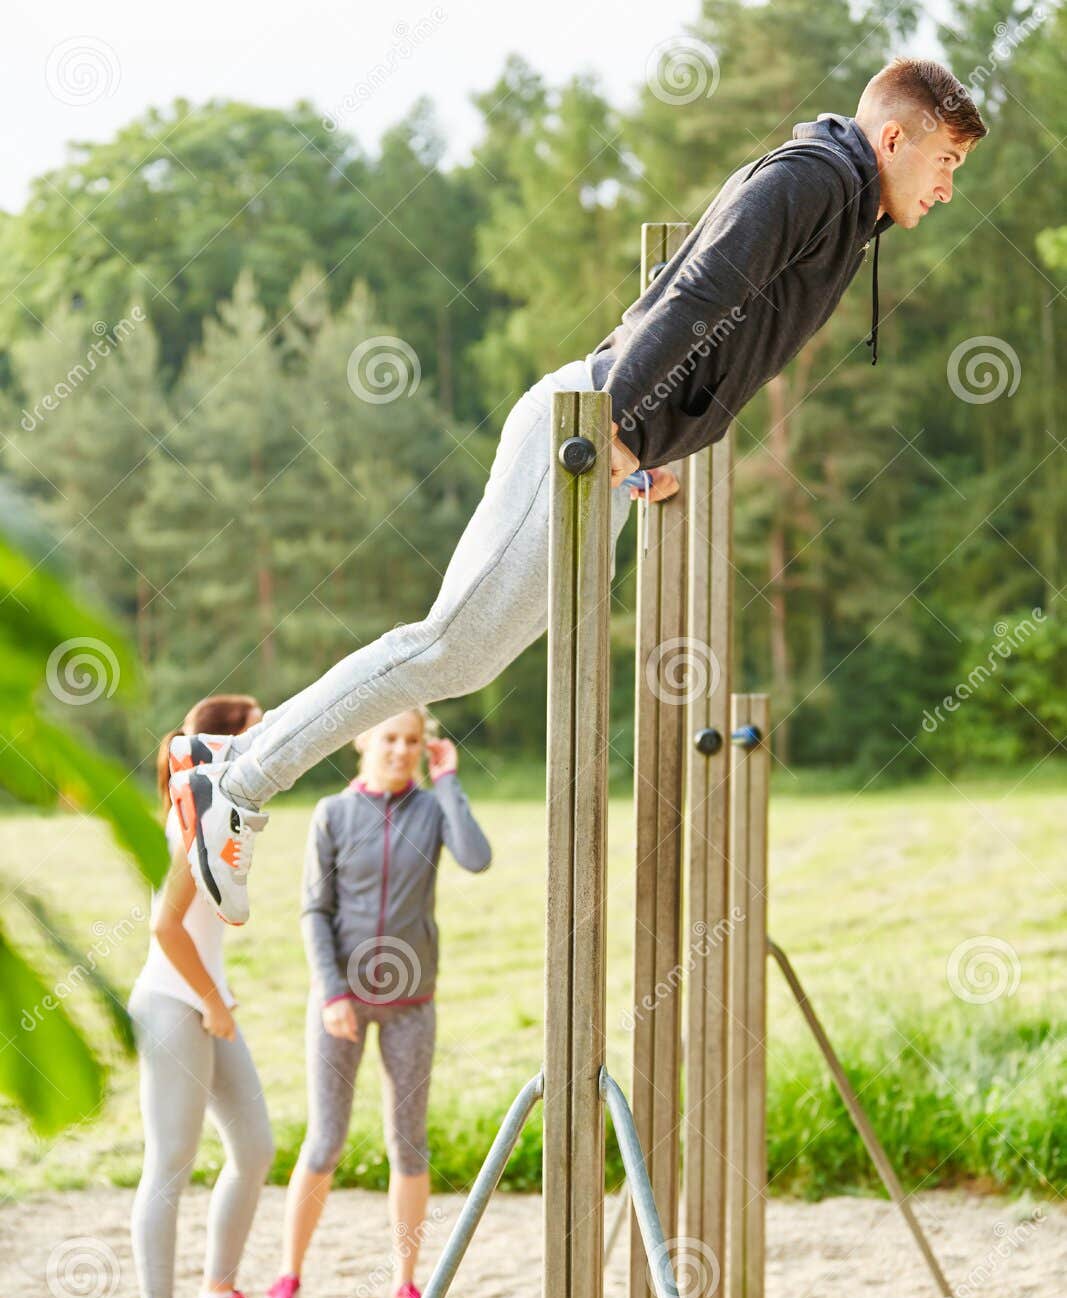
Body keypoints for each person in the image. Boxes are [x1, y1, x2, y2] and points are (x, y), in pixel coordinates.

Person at [168, 58, 987, 924]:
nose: (945, 189)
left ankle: (231, 766)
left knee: (466, 654)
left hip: (611, 437)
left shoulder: (842, 209)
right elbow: (701, 288)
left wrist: (661, 437)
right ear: (892, 137)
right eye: (945, 164)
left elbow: (711, 321)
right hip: (583, 428)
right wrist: (618, 419)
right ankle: (234, 778)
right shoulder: (811, 179)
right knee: (446, 644)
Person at [260, 707, 490, 1298]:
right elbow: (314, 911)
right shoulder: (332, 814)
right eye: (390, 738)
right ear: (364, 739)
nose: (400, 750)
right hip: (341, 1000)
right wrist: (333, 992)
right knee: (326, 1140)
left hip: (413, 1002)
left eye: (413, 741)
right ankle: (288, 1275)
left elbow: (476, 857)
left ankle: (405, 1284)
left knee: (408, 1144)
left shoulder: (432, 808)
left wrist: (447, 782)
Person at [128, 694, 287, 1298]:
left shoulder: (221, 815)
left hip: (205, 1001)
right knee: (169, 1165)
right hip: (172, 1004)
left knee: (253, 1148)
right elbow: (165, 927)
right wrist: (209, 1001)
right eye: (258, 731)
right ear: (225, 747)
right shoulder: (190, 824)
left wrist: (217, 996)